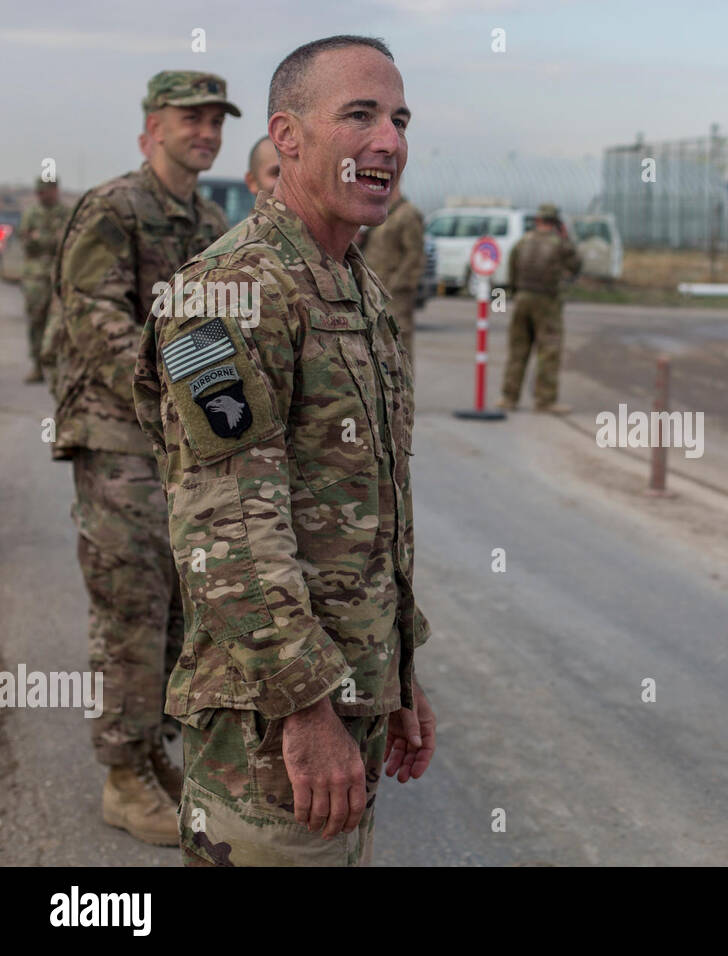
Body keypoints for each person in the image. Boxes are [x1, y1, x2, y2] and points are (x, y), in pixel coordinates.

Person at [134, 34, 435, 867]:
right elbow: (225, 535)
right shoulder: (230, 292)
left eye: (400, 119)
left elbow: (371, 515)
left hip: (353, 697)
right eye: (361, 115)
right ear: (289, 136)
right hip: (270, 724)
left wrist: (399, 669)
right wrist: (307, 711)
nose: (390, 141)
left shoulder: (354, 287)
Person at [44, 71, 238, 845]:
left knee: (176, 613)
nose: (207, 131)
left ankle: (154, 753)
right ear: (153, 126)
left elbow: (220, 320)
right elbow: (94, 318)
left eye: (216, 120)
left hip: (179, 448)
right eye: (191, 118)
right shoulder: (114, 207)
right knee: (130, 607)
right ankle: (123, 777)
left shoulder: (210, 216)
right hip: (119, 439)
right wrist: (181, 393)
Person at [497, 202, 580, 413]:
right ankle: (545, 400)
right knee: (549, 351)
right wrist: (566, 237)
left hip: (523, 299)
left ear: (537, 220)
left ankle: (509, 397)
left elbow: (512, 271)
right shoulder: (560, 244)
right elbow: (576, 265)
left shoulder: (522, 242)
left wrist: (517, 293)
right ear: (556, 223)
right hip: (547, 301)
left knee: (518, 350)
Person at [359, 183, 424, 362]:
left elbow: (415, 255)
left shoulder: (407, 214)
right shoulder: (380, 212)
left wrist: (397, 285)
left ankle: (403, 389)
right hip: (373, 293)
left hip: (394, 296)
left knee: (399, 346)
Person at [17, 177, 70, 383]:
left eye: (45, 191)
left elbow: (68, 242)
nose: (41, 195)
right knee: (36, 321)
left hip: (59, 277)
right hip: (36, 278)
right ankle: (37, 365)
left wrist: (42, 239)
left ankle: (58, 366)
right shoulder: (31, 214)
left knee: (60, 323)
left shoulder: (66, 214)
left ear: (55, 190)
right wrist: (48, 240)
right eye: (38, 192)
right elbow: (26, 241)